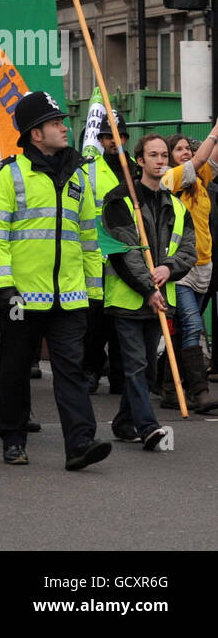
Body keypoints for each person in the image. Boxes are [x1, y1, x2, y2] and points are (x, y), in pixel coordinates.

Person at [0, 91, 108, 470]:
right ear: (36, 133)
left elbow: (88, 238)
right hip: (21, 297)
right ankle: (14, 438)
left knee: (71, 369)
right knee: (16, 370)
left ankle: (80, 443)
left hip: (69, 297)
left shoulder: (79, 175)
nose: (64, 128)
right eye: (56, 123)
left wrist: (94, 292)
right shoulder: (8, 175)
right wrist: (3, 286)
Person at [102, 133, 192, 449]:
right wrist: (146, 289)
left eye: (163, 156)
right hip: (128, 299)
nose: (160, 161)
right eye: (153, 155)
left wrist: (168, 267)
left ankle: (125, 421)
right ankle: (147, 426)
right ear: (140, 161)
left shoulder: (176, 205)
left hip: (159, 301)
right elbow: (123, 252)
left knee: (147, 369)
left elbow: (188, 249)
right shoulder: (120, 200)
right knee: (136, 364)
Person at [159, 126, 218, 412]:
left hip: (203, 266)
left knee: (183, 330)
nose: (187, 153)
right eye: (180, 149)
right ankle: (200, 392)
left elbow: (211, 161)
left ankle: (170, 389)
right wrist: (214, 132)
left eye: (189, 148)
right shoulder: (170, 179)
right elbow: (199, 161)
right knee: (194, 325)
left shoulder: (200, 182)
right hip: (180, 268)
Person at [84, 110, 132, 392]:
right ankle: (90, 370)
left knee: (122, 319)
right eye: (109, 137)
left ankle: (118, 376)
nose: (115, 141)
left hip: (129, 254)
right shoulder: (88, 169)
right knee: (96, 319)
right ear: (101, 140)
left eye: (120, 136)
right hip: (99, 255)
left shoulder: (137, 168)